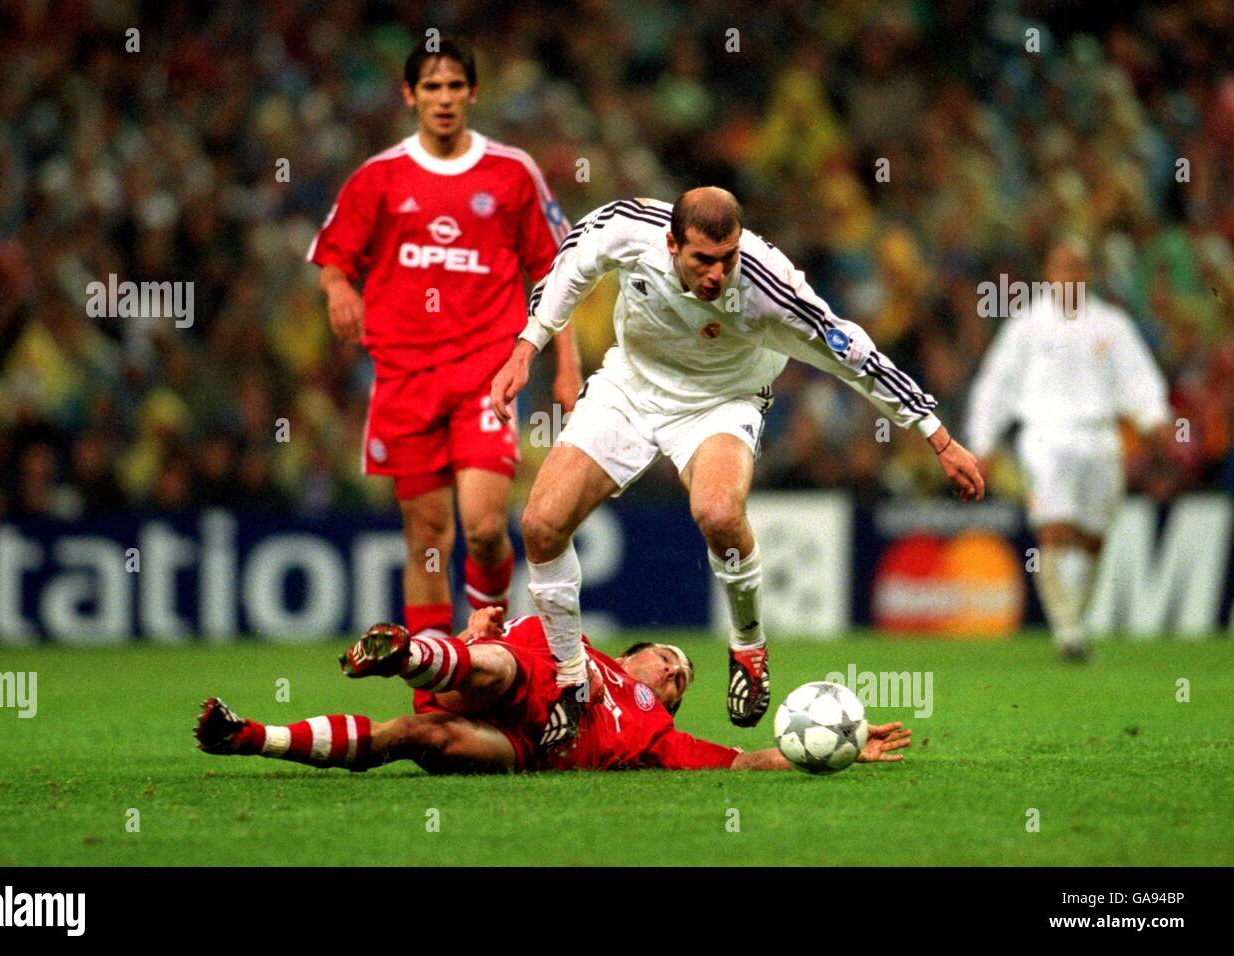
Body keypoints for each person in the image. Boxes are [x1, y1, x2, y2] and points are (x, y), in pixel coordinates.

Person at [489, 189, 984, 748]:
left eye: (728, 257)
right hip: (629, 386)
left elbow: (854, 356)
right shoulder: (629, 227)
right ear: (672, 243)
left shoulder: (769, 288)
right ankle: (572, 682)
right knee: (540, 524)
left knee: (718, 513)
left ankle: (748, 642)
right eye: (703, 259)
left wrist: (937, 437)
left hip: (723, 399)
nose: (718, 273)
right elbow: (575, 259)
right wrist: (527, 345)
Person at [308, 36, 581, 640]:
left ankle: (486, 651)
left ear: (474, 93)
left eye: (456, 85)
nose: (445, 98)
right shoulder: (378, 178)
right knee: (427, 539)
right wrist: (337, 288)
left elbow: (559, 269)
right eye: (432, 86)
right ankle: (432, 693)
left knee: (485, 528)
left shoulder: (511, 172)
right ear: (410, 96)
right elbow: (333, 256)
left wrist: (567, 364)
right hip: (405, 379)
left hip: (486, 373)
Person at [193, 607, 912, 773]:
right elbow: (510, 650)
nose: (672, 673)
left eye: (680, 682)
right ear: (629, 656)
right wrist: (477, 636)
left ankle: (248, 735)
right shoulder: (579, 646)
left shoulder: (657, 735)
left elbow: (747, 759)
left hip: (528, 744)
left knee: (417, 737)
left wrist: (842, 749)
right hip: (532, 674)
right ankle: (405, 654)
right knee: (505, 664)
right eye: (667, 660)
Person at [965, 240, 1172, 660]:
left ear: (1087, 273)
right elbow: (996, 384)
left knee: (1093, 539)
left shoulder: (1110, 325)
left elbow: (1138, 376)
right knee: (1054, 528)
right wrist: (982, 441)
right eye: (1061, 267)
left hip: (1100, 437)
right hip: (1044, 436)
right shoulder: (1026, 325)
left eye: (1077, 267)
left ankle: (1075, 616)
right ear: (1048, 272)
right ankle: (1068, 630)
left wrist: (1154, 417)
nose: (1069, 275)